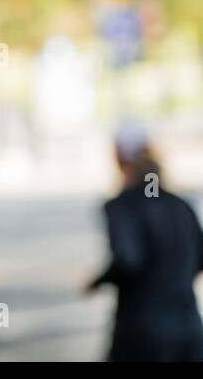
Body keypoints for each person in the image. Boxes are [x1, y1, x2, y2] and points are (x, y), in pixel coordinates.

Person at [85, 121, 203, 361]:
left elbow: (129, 259)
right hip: (189, 330)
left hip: (142, 334)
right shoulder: (180, 205)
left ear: (118, 158)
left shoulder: (122, 206)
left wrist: (97, 281)